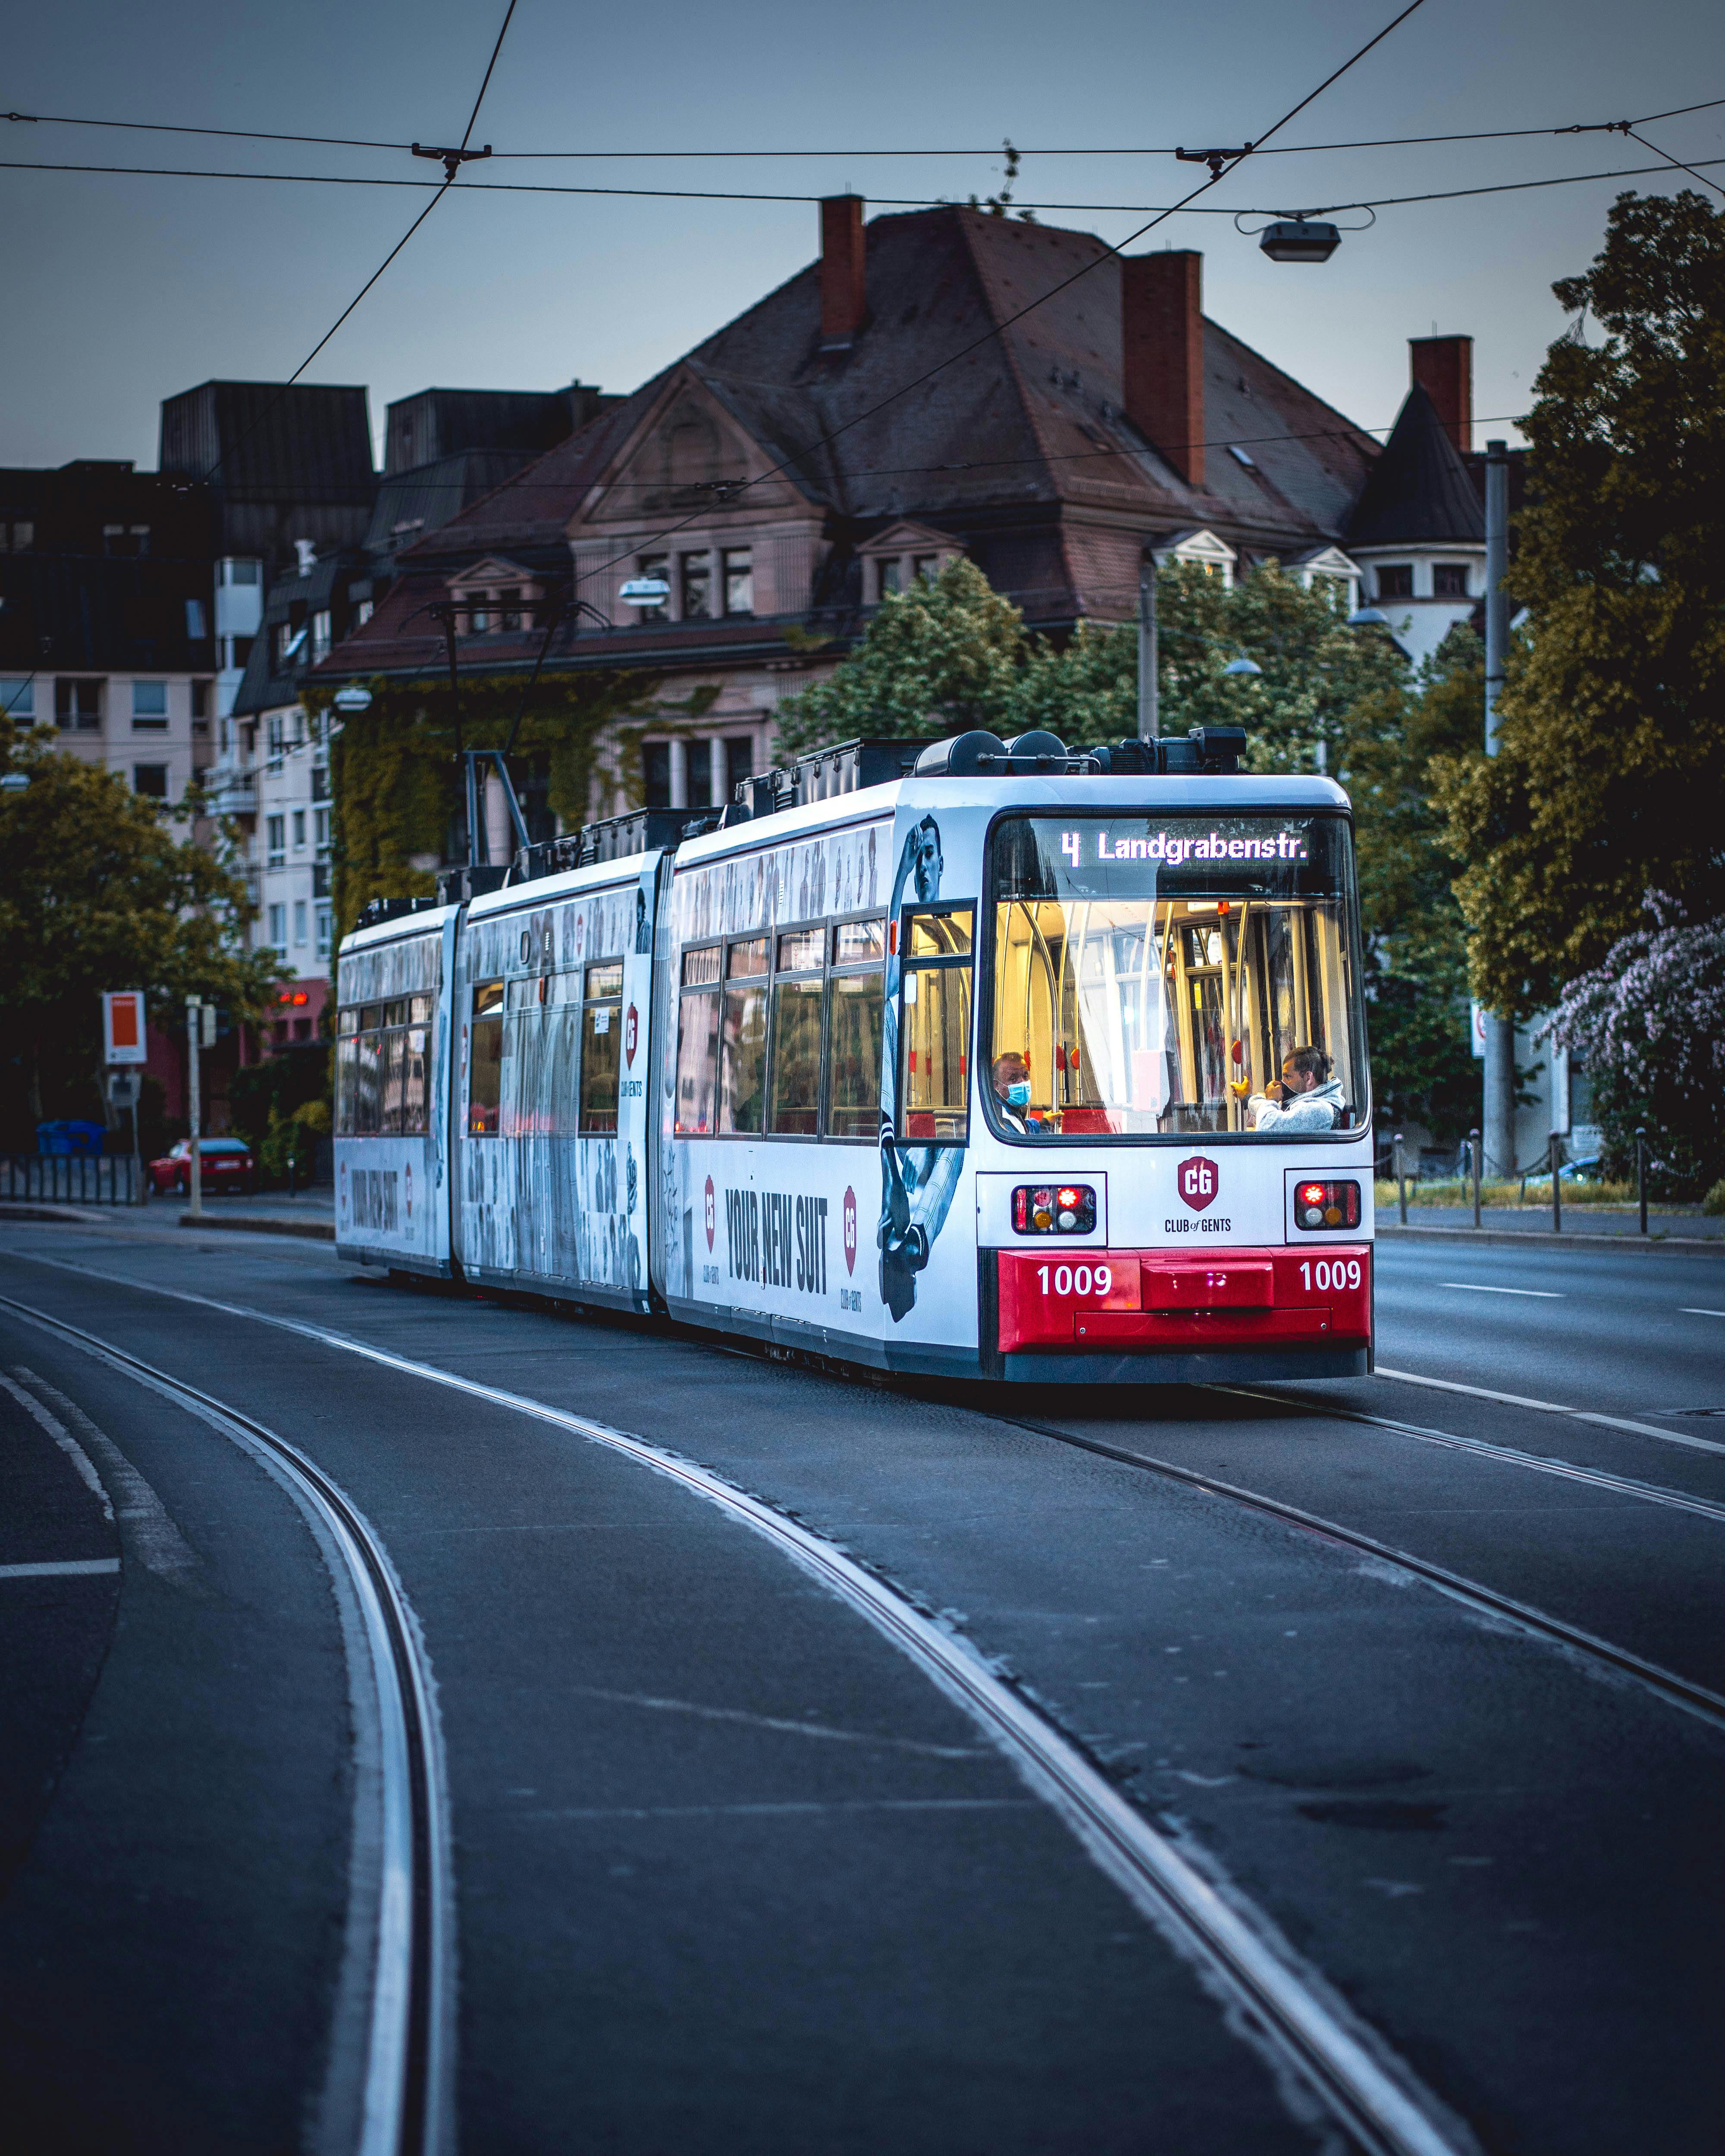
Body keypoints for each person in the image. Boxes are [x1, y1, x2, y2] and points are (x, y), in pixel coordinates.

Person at [1248, 1046, 1344, 1132]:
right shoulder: (1310, 1103)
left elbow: (1266, 1128)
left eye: (1288, 1077)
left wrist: (1272, 1100)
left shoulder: (1319, 1110)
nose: (1283, 1083)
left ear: (1308, 1078)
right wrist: (1247, 1098)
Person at [992, 1051, 1034, 1134]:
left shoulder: (1012, 1110)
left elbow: (1023, 1128)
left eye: (1025, 1076)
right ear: (997, 1085)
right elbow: (1020, 1138)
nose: (1022, 1082)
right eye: (1013, 1079)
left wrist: (1045, 1123)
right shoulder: (999, 1121)